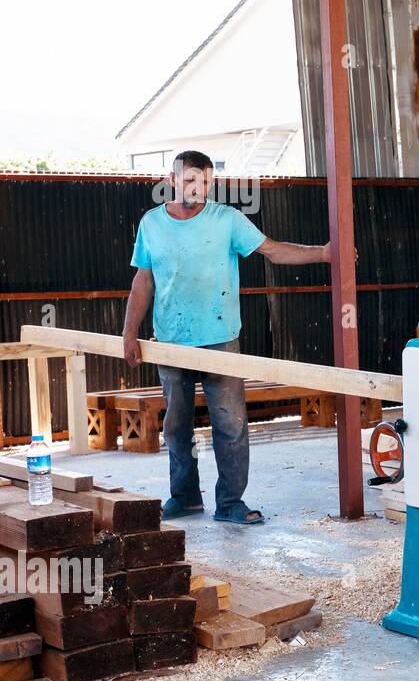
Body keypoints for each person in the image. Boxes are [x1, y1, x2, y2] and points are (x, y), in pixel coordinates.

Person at [122, 150, 333, 525]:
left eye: (205, 181)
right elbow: (144, 280)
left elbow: (273, 252)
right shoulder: (151, 223)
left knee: (231, 423)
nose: (198, 188)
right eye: (189, 180)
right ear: (172, 181)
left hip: (220, 339)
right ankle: (184, 497)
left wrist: (324, 253)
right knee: (176, 425)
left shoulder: (227, 220)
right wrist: (129, 332)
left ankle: (231, 501)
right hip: (171, 341)